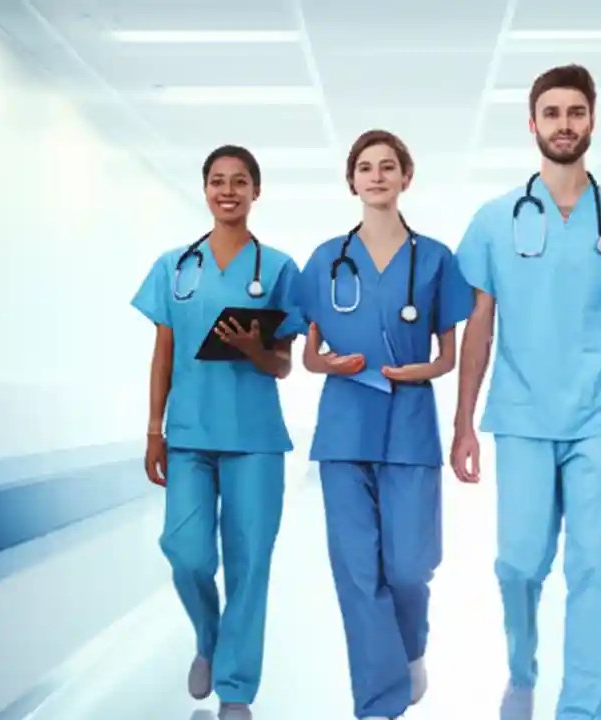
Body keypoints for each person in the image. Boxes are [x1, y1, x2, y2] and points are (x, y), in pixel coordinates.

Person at [449, 64, 601, 720]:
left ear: (592, 120)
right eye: (552, 113)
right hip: (521, 415)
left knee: (595, 570)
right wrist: (463, 423)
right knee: (519, 563)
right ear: (532, 123)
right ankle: (522, 665)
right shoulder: (496, 219)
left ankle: (582, 710)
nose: (565, 124)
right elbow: (479, 324)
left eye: (576, 112)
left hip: (600, 420)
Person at [293, 129, 474, 720]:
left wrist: (425, 369)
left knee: (408, 566)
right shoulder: (326, 259)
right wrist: (326, 363)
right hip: (344, 428)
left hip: (410, 424)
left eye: (387, 166)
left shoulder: (436, 258)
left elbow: (448, 355)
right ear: (351, 181)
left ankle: (410, 648)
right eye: (365, 167)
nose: (376, 175)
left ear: (406, 177)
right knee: (356, 570)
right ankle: (379, 703)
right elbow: (308, 354)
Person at [131, 144, 306, 720]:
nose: (227, 191)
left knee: (250, 564)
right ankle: (208, 638)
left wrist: (255, 349)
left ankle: (235, 687)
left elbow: (283, 366)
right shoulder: (175, 267)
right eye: (217, 181)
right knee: (186, 554)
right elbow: (163, 354)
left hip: (255, 440)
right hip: (188, 437)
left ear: (257, 191)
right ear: (205, 189)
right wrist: (153, 430)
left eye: (239, 181)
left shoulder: (278, 269)